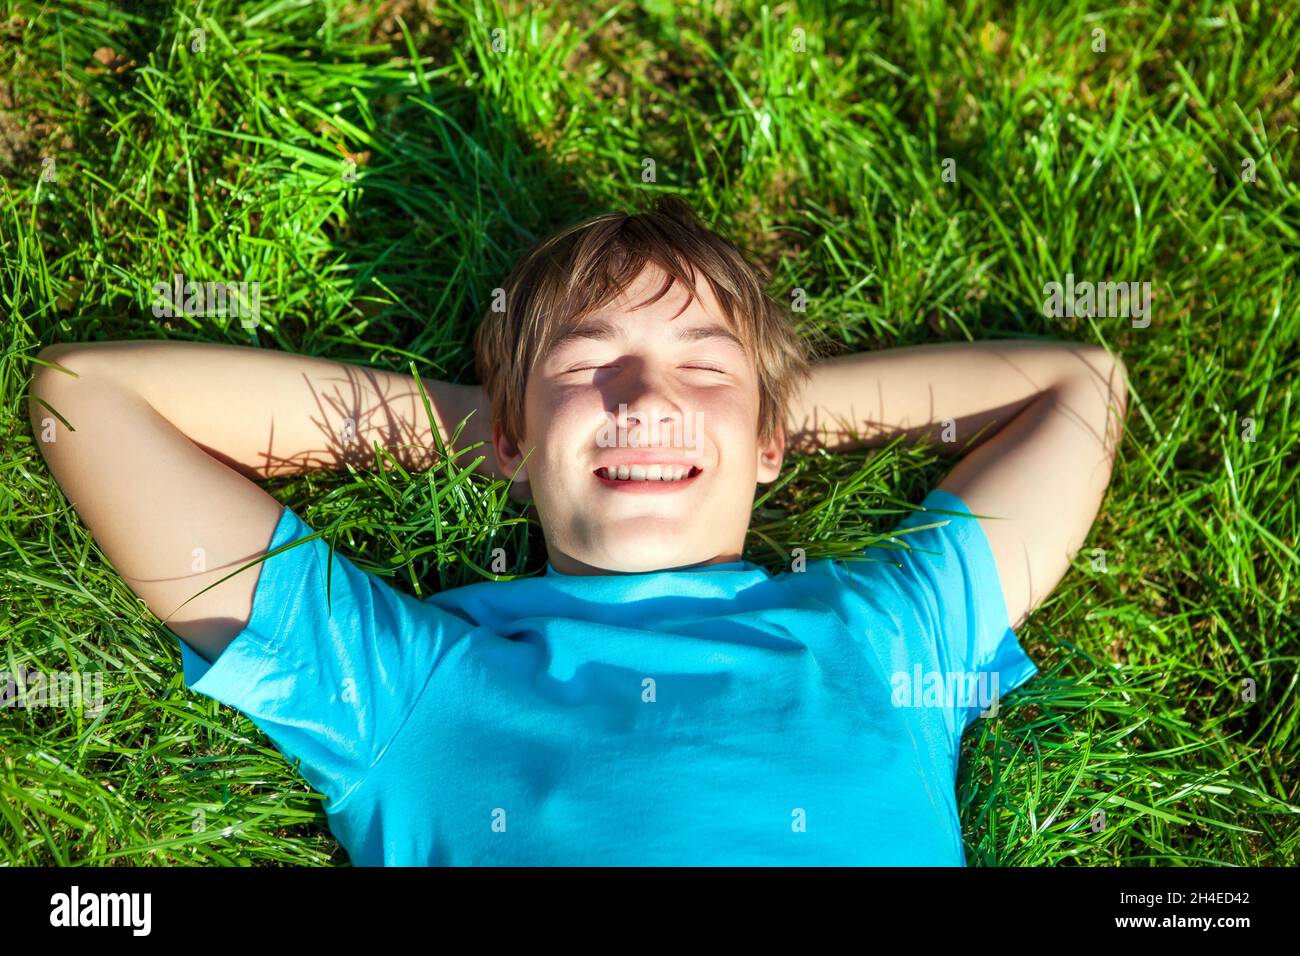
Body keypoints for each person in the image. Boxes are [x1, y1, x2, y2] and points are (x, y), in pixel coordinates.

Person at [27, 197, 1128, 865]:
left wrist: (723, 421)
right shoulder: (411, 685)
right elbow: (88, 400)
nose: (644, 394)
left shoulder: (886, 636)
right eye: (588, 362)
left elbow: (1082, 384)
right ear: (508, 435)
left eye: (702, 362)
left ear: (771, 439)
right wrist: (512, 427)